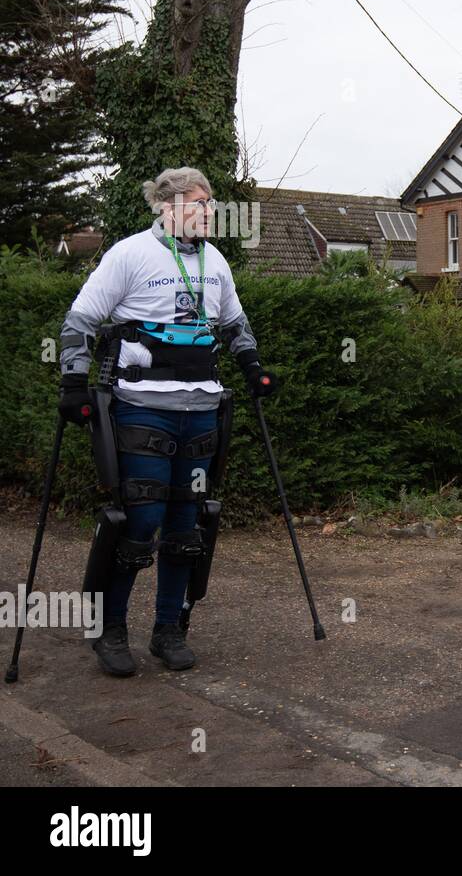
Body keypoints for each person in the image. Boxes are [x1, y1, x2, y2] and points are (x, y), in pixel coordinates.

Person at [58, 167, 277, 676]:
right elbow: (81, 319)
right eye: (200, 202)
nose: (209, 211)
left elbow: (234, 323)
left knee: (187, 529)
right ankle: (110, 632)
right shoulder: (130, 254)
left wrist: (254, 368)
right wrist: (73, 381)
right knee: (139, 525)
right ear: (168, 205)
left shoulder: (216, 259)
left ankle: (169, 631)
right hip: (140, 408)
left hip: (202, 412)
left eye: (211, 203)